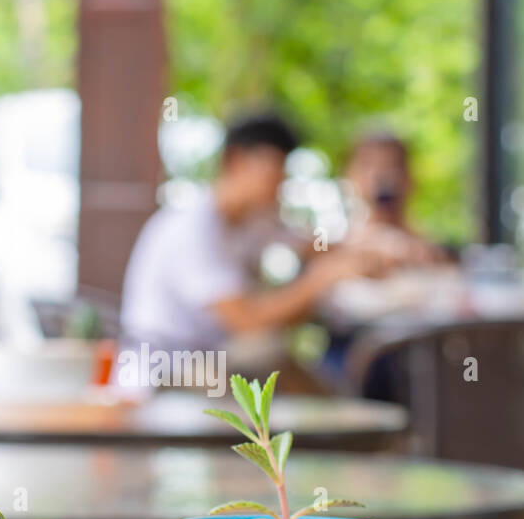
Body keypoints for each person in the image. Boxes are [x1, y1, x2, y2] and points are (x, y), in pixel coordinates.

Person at [118, 113, 401, 383]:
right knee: (270, 354)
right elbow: (246, 320)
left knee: (285, 362)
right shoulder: (193, 226)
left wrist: (373, 249)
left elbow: (316, 245)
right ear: (237, 161)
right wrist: (320, 279)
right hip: (167, 368)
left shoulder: (255, 219)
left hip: (210, 361)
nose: (281, 182)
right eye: (275, 168)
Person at [342, 129, 450, 266]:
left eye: (391, 166)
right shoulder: (338, 249)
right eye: (369, 165)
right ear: (352, 174)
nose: (381, 175)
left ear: (409, 177)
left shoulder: (432, 252)